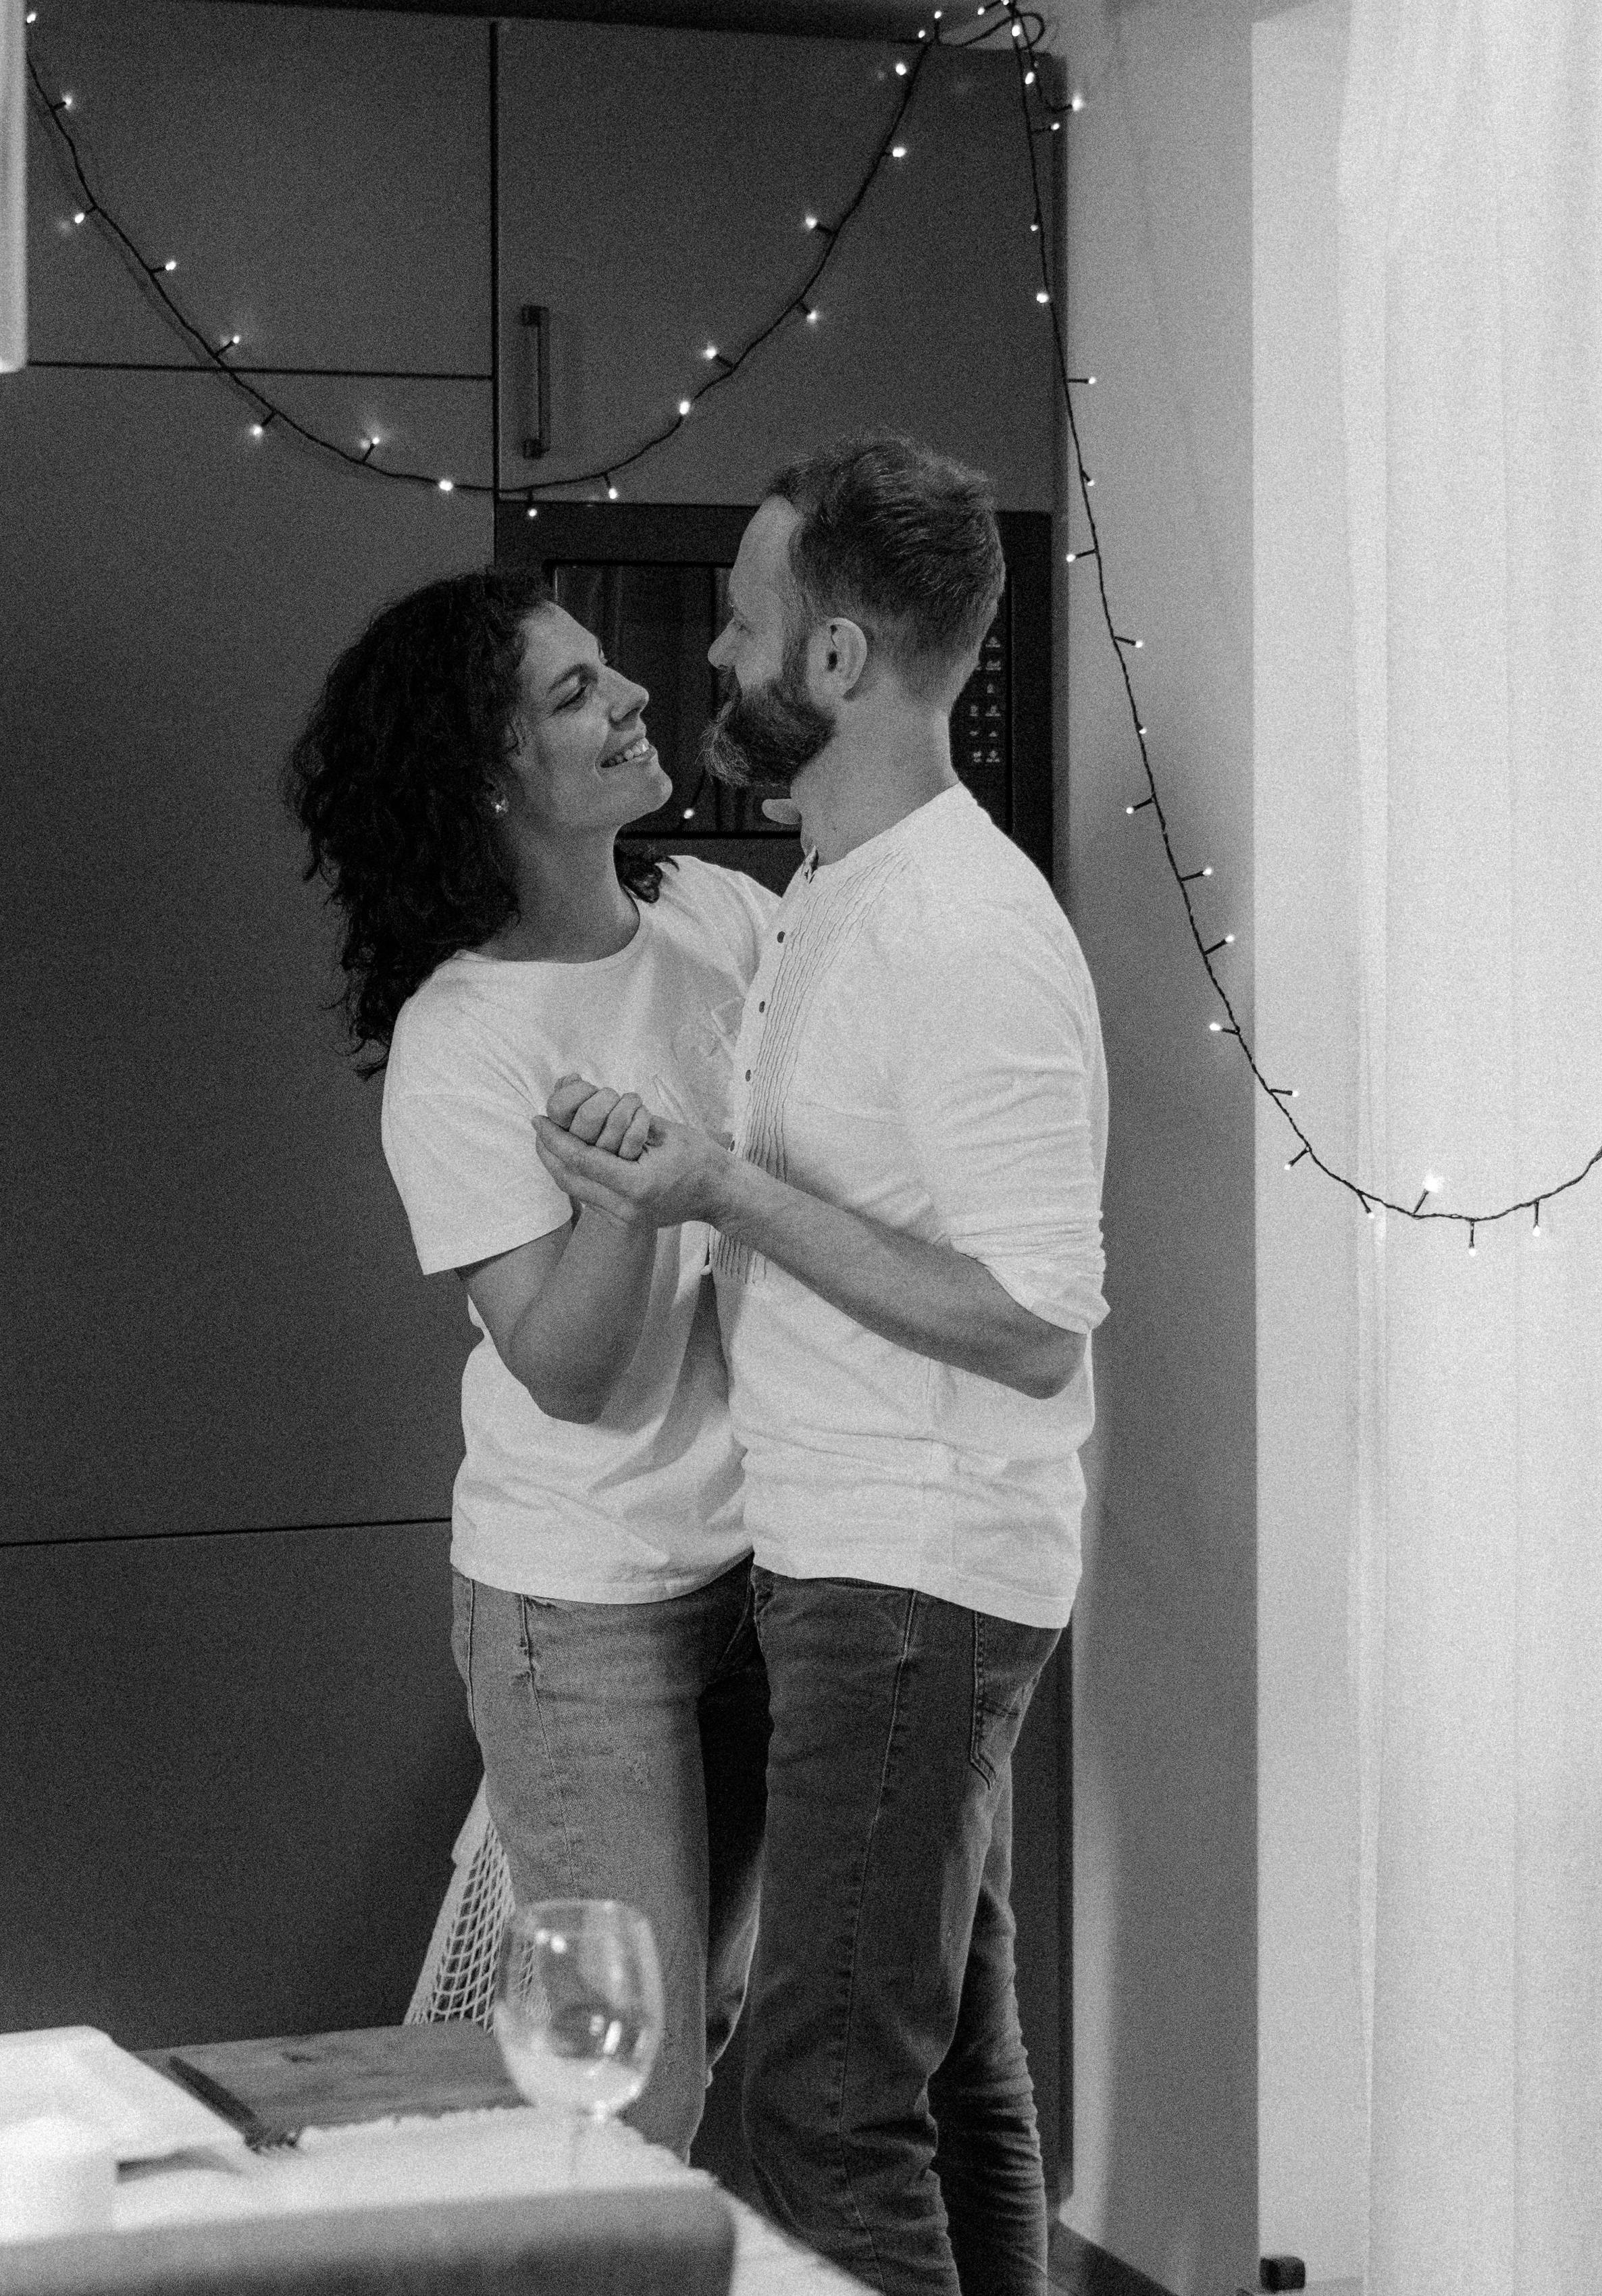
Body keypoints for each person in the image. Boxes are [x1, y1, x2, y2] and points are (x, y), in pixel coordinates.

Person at [535, 436, 1107, 2296]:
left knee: (821, 2100)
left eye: (742, 615)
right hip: (865, 1558)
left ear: (838, 657)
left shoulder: (964, 929)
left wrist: (719, 1186)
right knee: (945, 2072)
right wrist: (689, 1173)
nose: (710, 651)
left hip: (910, 1572)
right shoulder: (837, 889)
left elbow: (1033, 1318)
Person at [284, 565, 777, 2158]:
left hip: (764, 1566)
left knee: (712, 2021)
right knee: (634, 2074)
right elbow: (566, 1373)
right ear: (492, 776)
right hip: (583, 1602)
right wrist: (620, 1204)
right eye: (574, 694)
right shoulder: (465, 1038)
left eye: (604, 672)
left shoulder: (720, 917)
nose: (631, 696)